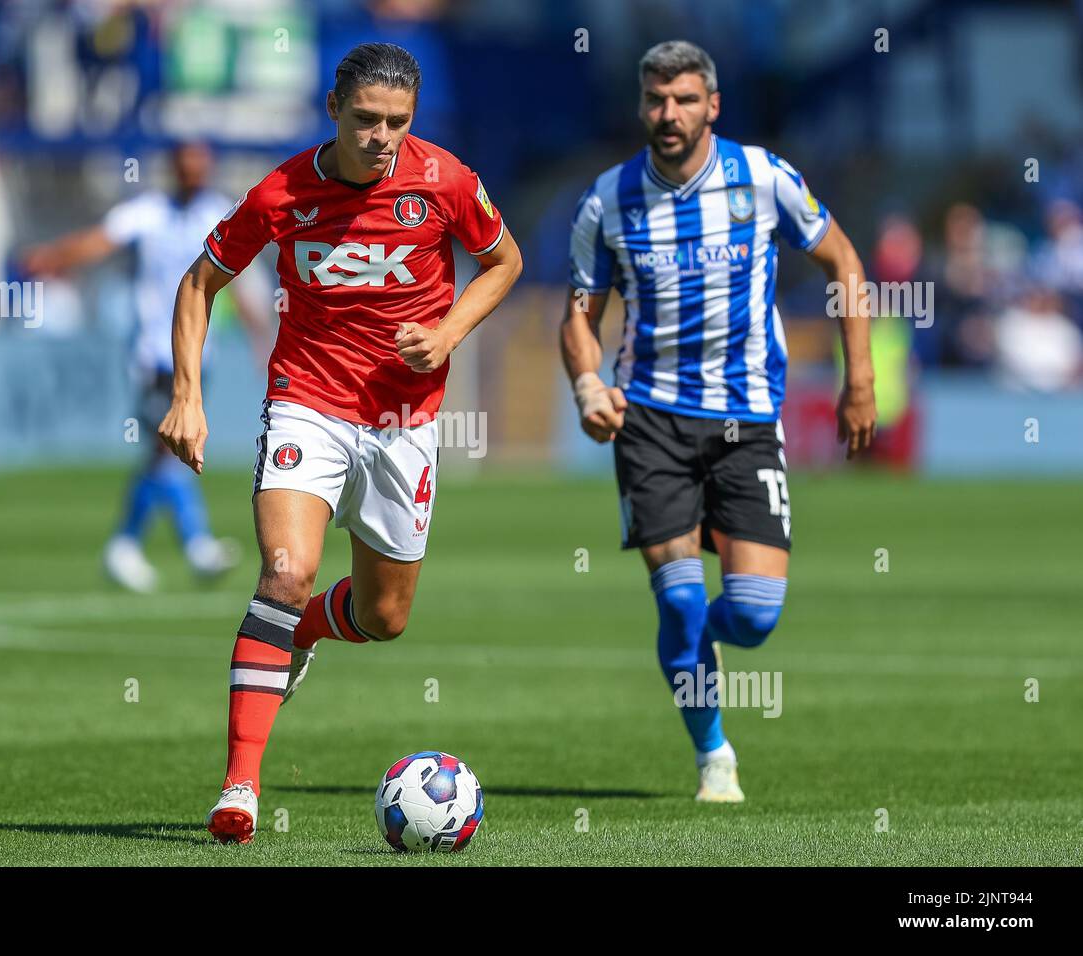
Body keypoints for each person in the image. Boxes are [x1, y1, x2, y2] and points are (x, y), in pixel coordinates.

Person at [158, 42, 522, 843]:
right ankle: (240, 788)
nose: (381, 136)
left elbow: (504, 261)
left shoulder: (446, 181)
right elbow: (199, 281)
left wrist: (450, 329)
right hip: (307, 407)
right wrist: (187, 394)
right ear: (334, 109)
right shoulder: (283, 191)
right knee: (285, 574)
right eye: (365, 119)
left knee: (386, 617)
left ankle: (308, 632)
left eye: (396, 122)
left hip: (404, 426)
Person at [559, 40, 876, 802]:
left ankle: (701, 645)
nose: (669, 115)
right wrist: (586, 383)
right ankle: (714, 755)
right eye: (656, 100)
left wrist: (858, 377)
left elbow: (844, 261)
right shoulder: (606, 198)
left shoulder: (763, 178)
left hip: (745, 420)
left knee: (756, 618)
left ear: (714, 106)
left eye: (685, 100)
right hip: (651, 419)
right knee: (677, 596)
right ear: (641, 105)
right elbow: (579, 313)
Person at [22, 143, 272, 592]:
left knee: (167, 452)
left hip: (198, 355)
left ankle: (127, 546)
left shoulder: (217, 212)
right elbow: (99, 241)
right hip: (155, 354)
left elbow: (233, 281)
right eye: (186, 168)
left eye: (200, 168)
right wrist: (53, 257)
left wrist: (259, 336)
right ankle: (194, 547)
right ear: (174, 170)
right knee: (169, 448)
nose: (193, 175)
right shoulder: (149, 212)